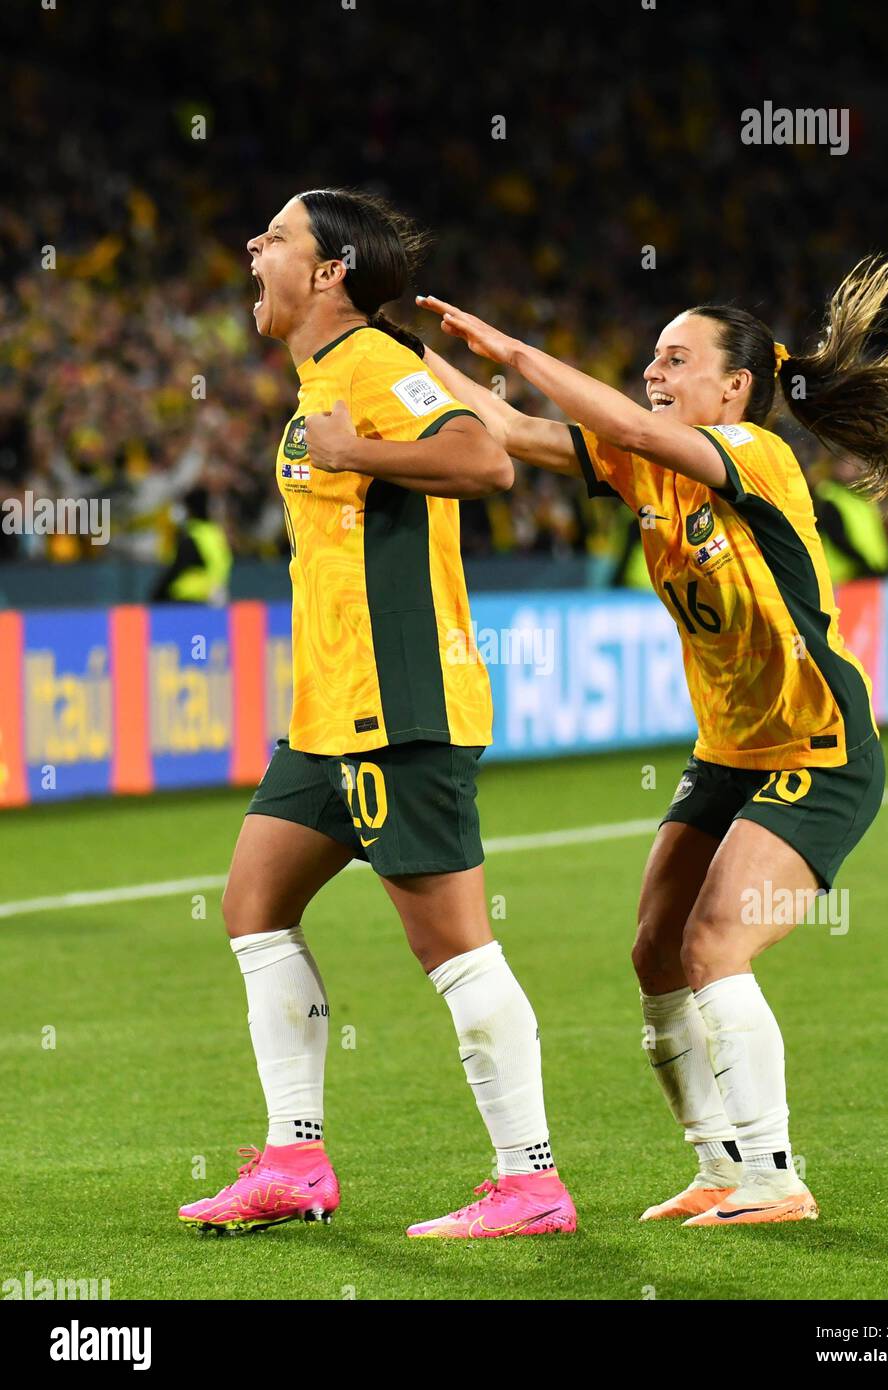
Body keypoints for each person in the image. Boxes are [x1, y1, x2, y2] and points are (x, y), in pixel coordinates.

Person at [412, 253, 888, 1225]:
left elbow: (615, 420)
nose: (654, 370)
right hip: (730, 752)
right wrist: (398, 356)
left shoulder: (755, 455)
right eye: (651, 357)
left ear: (733, 387)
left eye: (674, 356)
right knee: (656, 947)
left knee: (714, 944)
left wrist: (511, 345)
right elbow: (514, 430)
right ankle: (718, 1163)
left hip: (815, 746)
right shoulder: (647, 461)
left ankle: (776, 1175)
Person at [178, 188, 576, 1239]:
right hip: (328, 713)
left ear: (327, 272)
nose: (252, 248)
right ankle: (293, 1160)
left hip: (399, 705)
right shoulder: (322, 378)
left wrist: (356, 453)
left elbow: (484, 459)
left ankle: (528, 1180)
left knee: (454, 949)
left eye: (274, 237)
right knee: (253, 903)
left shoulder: (369, 363)